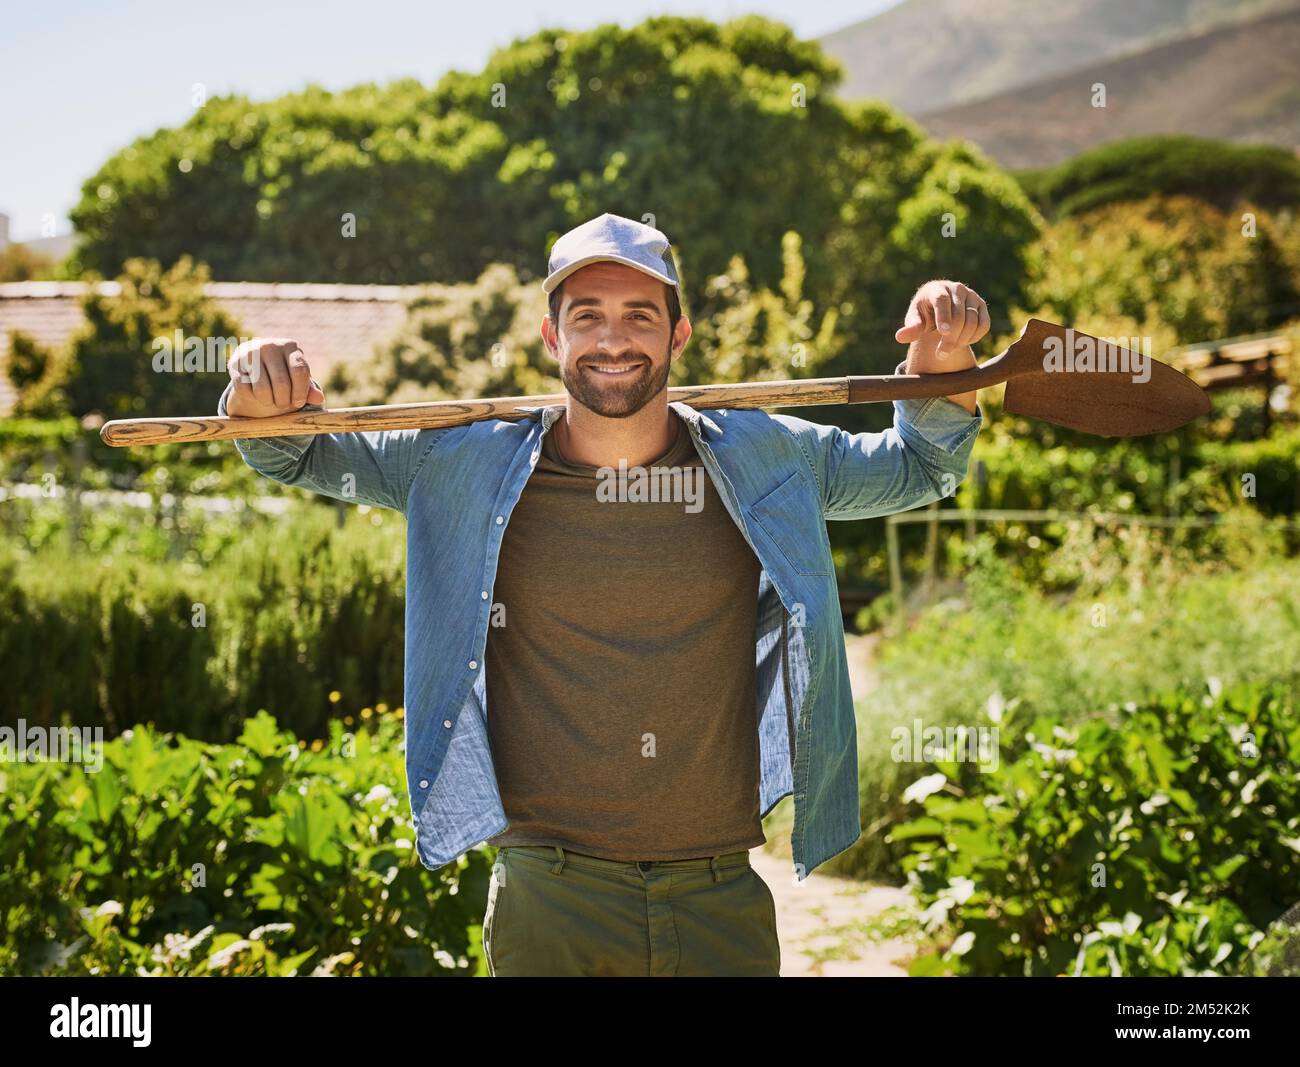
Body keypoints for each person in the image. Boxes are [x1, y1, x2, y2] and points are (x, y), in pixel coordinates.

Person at [219, 212, 987, 976]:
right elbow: (294, 452)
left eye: (639, 316)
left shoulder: (768, 456)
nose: (613, 339)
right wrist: (258, 392)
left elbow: (922, 466)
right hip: (550, 902)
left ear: (677, 336)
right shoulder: (460, 462)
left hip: (717, 894)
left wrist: (940, 356)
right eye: (586, 317)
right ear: (552, 339)